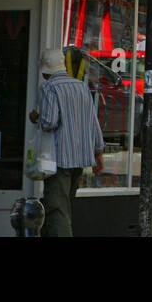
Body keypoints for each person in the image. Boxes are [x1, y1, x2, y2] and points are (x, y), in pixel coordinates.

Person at [30, 48, 104, 237]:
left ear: (46, 70)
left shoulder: (49, 87)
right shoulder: (80, 86)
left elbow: (49, 121)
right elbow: (93, 121)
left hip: (59, 158)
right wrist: (98, 151)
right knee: (66, 204)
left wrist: (36, 116)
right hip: (80, 156)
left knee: (57, 208)